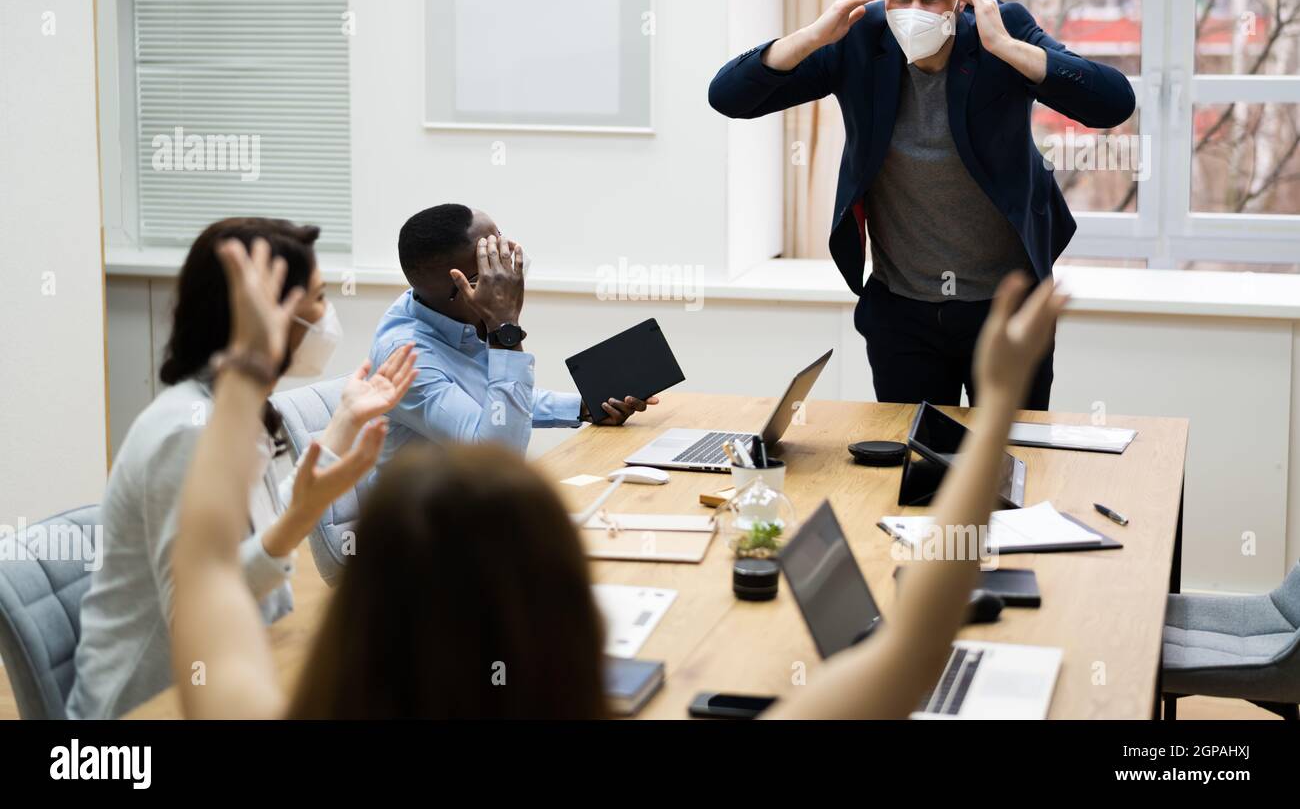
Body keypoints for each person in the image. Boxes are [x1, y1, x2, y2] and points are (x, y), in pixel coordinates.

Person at [167, 237, 1063, 720]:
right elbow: (908, 660)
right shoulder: (412, 341)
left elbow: (207, 570)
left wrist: (248, 360)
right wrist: (993, 404)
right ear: (570, 611)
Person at [708, 0, 1131, 410]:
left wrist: (1009, 49)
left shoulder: (1002, 28)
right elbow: (729, 97)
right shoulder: (857, 39)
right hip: (901, 309)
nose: (913, 11)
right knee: (914, 470)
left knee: (1012, 460)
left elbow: (1111, 102)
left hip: (1007, 306)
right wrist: (813, 36)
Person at [66, 217, 416, 720]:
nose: (328, 315)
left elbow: (248, 539)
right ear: (266, 314)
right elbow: (194, 605)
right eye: (316, 299)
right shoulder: (187, 431)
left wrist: (345, 419)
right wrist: (300, 518)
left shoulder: (230, 409)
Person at [367, 204, 655, 473]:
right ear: (466, 287)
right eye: (494, 263)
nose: (511, 261)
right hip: (424, 521)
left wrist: (584, 408)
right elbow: (498, 458)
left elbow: (490, 400)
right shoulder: (406, 359)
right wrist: (505, 330)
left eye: (501, 244)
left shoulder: (449, 313)